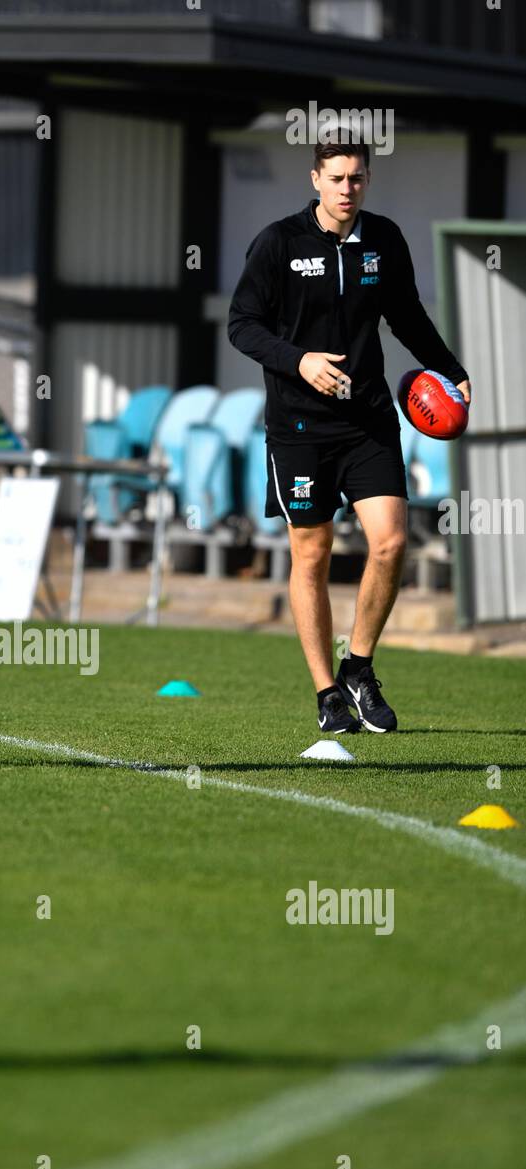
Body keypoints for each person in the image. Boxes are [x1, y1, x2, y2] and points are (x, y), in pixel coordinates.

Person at [228, 136, 470, 733]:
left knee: (389, 543)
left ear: (367, 181)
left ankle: (358, 667)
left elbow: (407, 315)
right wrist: (298, 360)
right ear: (315, 179)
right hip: (300, 427)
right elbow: (242, 324)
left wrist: (453, 372)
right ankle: (327, 694)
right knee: (312, 554)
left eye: (357, 178)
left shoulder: (383, 240)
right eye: (336, 178)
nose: (346, 189)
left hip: (367, 420)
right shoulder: (279, 243)